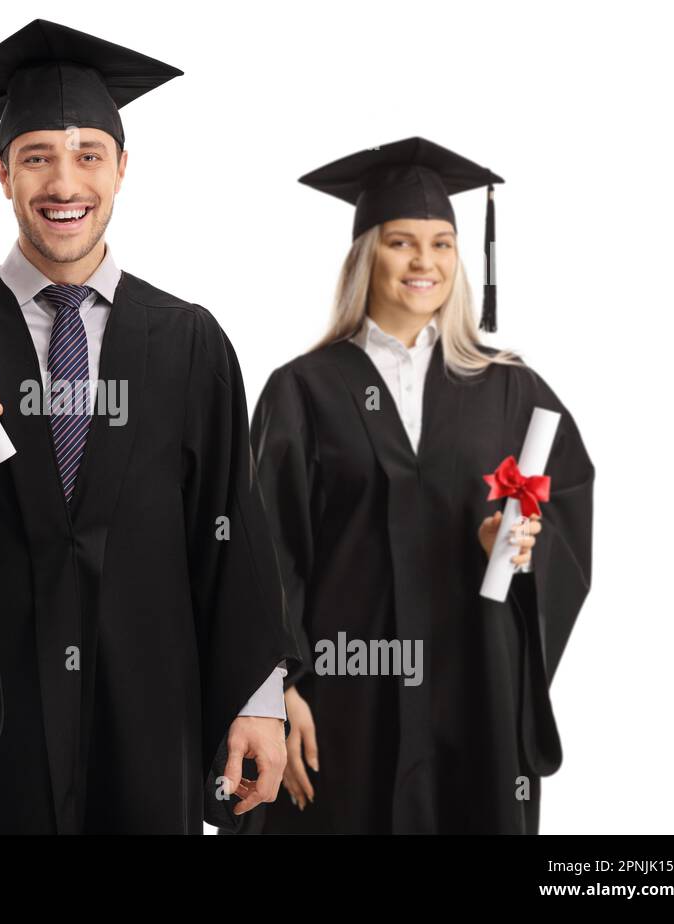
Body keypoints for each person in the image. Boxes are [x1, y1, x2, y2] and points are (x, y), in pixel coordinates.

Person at [0, 20, 300, 834]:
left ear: (122, 168)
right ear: (2, 173)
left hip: (147, 720)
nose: (64, 183)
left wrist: (258, 698)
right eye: (36, 157)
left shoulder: (188, 339)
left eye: (88, 156)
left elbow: (230, 528)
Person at [237, 137, 594, 834]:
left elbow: (565, 513)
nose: (424, 262)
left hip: (474, 694)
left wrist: (520, 549)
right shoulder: (304, 390)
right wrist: (281, 689)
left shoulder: (509, 388)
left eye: (441, 244)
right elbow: (266, 553)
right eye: (401, 242)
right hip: (343, 697)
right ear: (366, 256)